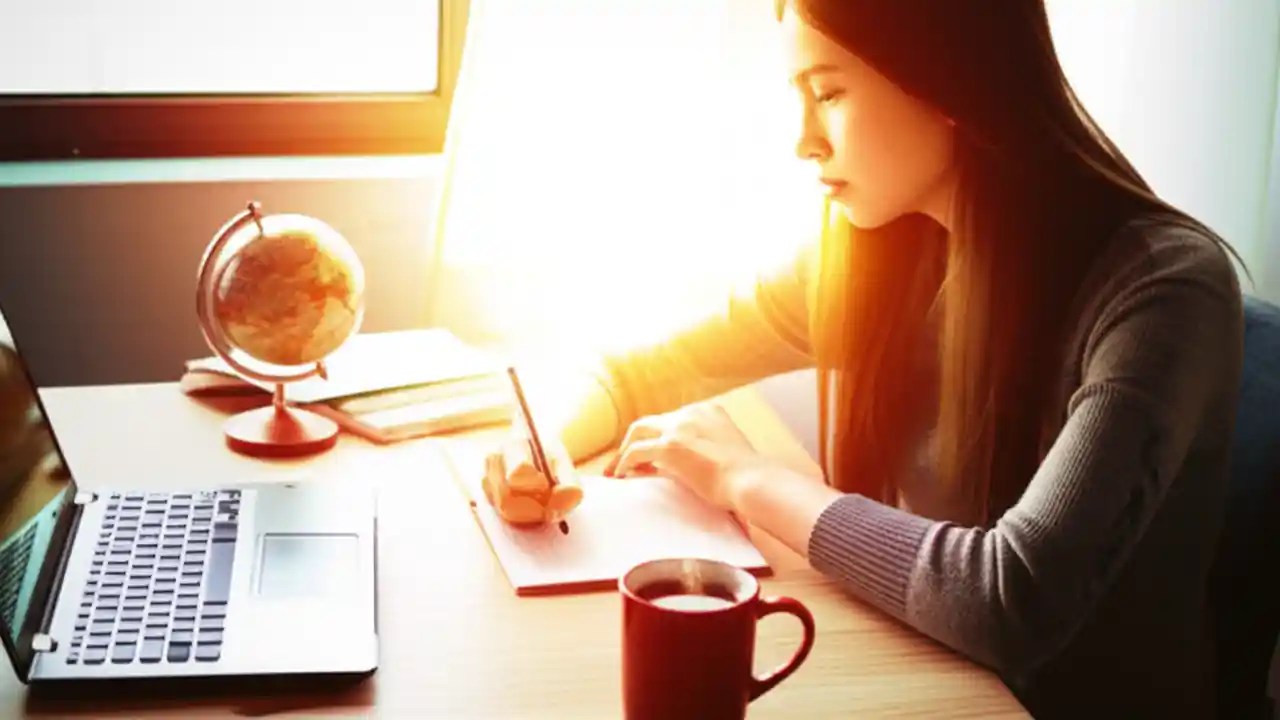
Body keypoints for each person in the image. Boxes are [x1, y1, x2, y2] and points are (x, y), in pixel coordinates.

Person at [486, 1, 1244, 716]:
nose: (803, 140)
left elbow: (1009, 599)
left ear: (947, 77)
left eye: (829, 94)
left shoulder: (1163, 293)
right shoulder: (883, 249)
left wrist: (746, 477)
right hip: (923, 681)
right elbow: (632, 370)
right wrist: (540, 443)